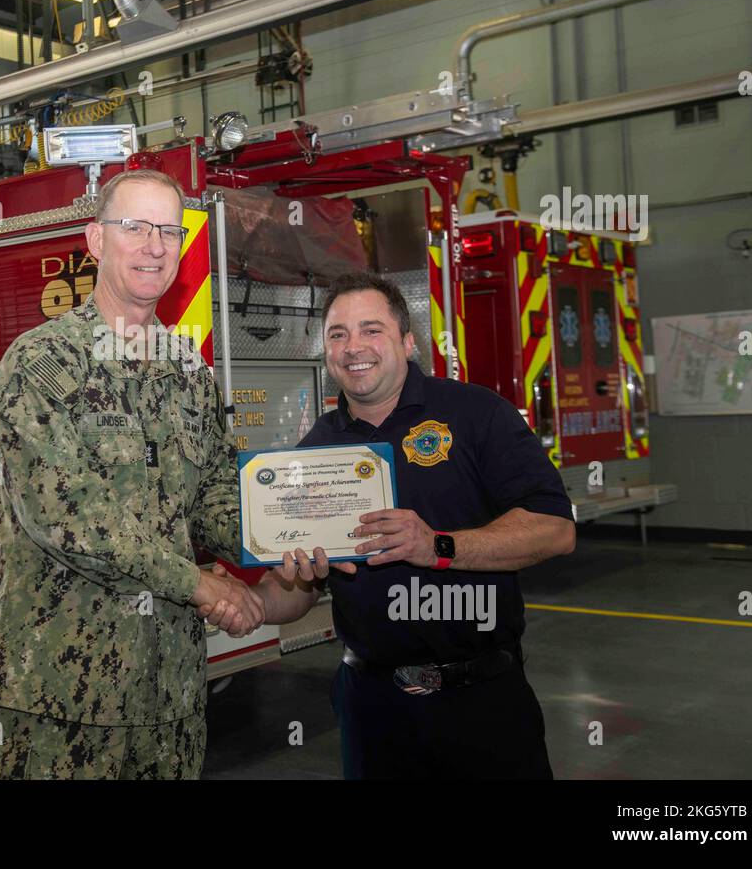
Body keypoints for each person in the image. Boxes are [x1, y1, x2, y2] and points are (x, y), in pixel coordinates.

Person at [0, 168, 265, 780]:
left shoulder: (189, 371)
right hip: (58, 701)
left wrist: (285, 538)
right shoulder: (42, 363)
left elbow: (213, 498)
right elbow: (72, 521)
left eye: (168, 230)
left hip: (170, 701)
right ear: (96, 240)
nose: (155, 245)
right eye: (134, 226)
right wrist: (204, 586)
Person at [223, 270, 575, 779]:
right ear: (325, 352)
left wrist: (439, 545)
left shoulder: (477, 414)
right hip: (373, 708)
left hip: (482, 702)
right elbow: (297, 593)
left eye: (371, 329)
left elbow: (556, 529)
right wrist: (249, 600)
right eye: (337, 334)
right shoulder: (315, 452)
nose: (353, 346)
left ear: (407, 341)